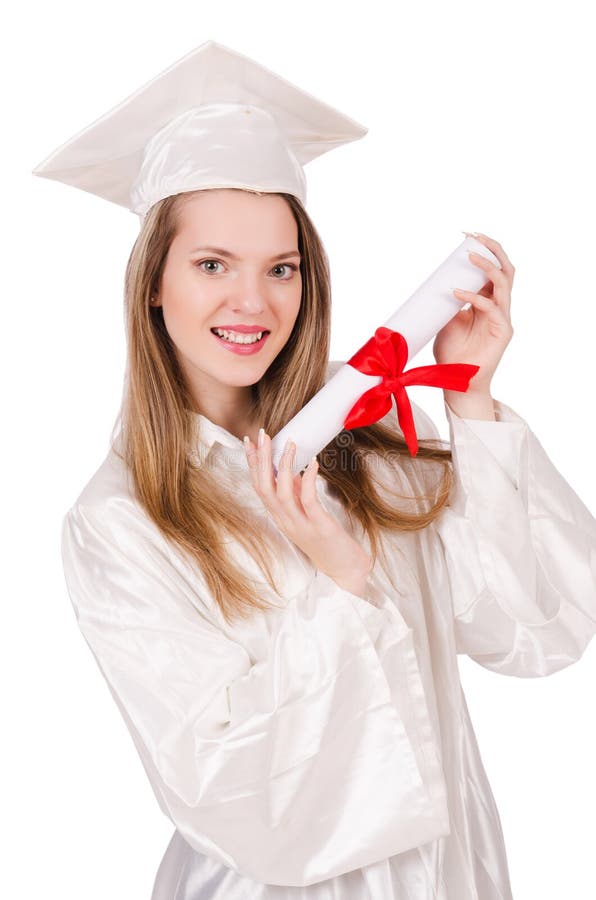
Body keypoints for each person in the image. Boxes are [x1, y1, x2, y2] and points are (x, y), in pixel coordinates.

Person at [34, 40, 596, 900]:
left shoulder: (364, 432)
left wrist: (473, 402)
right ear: (154, 282)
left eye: (280, 268)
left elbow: (534, 632)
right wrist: (340, 583)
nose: (252, 303)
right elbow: (226, 794)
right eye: (212, 264)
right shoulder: (121, 521)